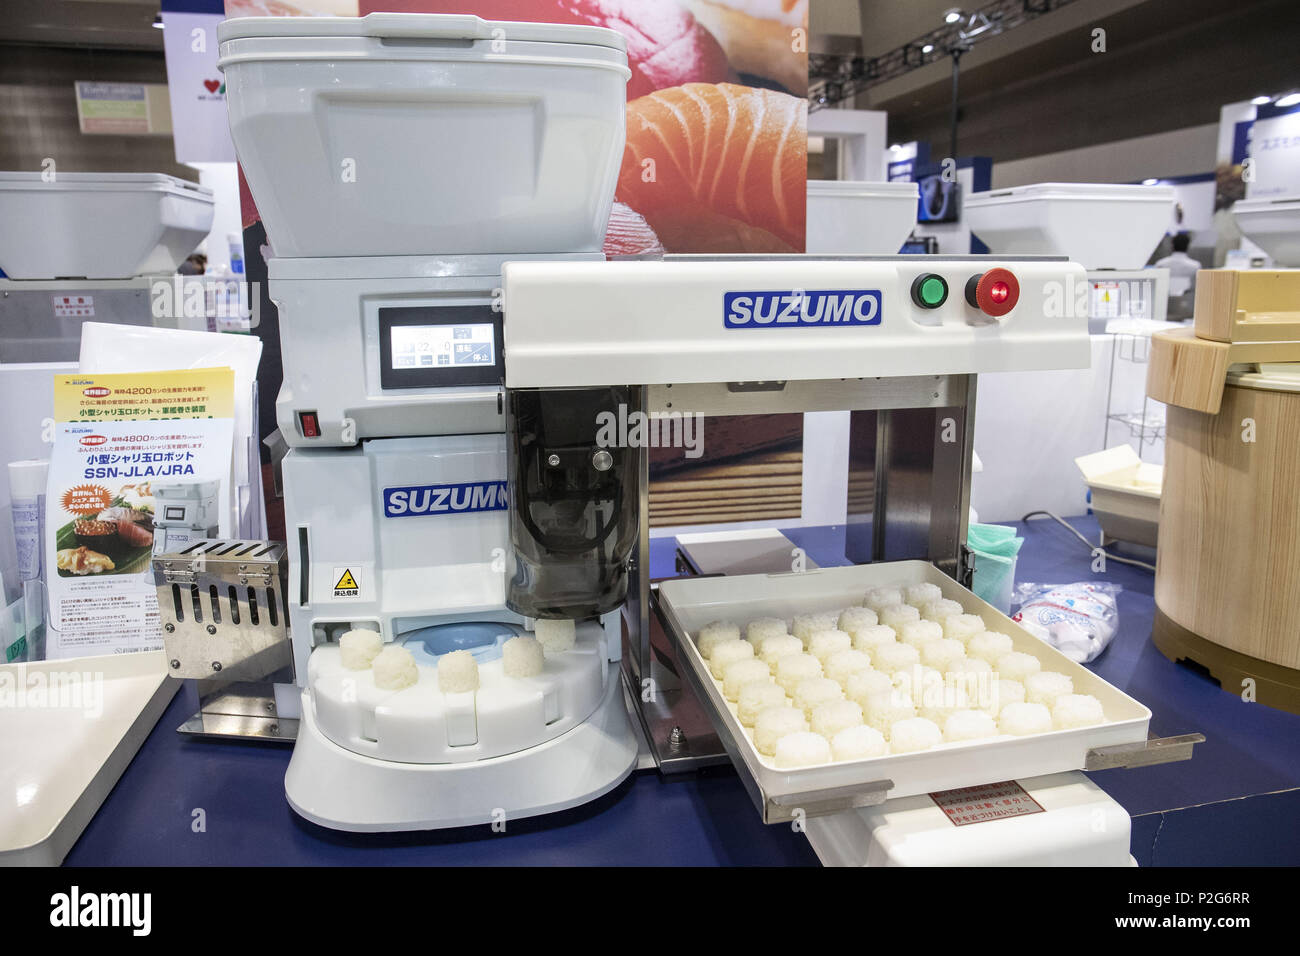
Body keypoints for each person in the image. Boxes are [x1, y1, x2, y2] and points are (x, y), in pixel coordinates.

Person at [1155, 233, 1199, 320]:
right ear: (1188, 246)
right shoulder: (1195, 266)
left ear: (1172, 245)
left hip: (1164, 306)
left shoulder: (1160, 264)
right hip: (1187, 307)